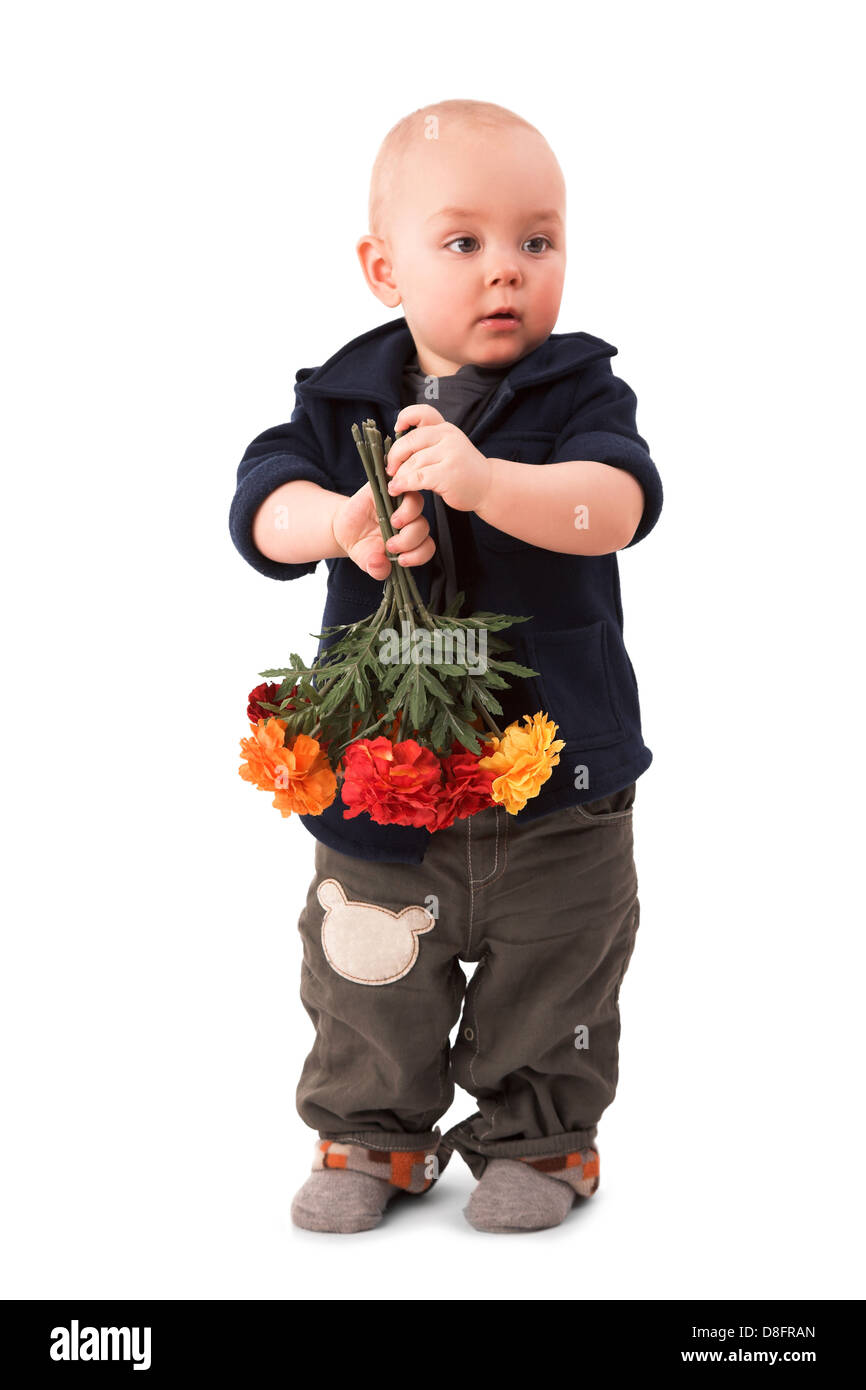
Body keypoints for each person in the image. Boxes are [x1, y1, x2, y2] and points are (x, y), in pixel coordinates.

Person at [229, 99, 663, 1233]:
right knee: (366, 966)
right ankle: (373, 1134)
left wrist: (486, 487)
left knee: (556, 971)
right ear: (383, 268)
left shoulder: (578, 393)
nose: (505, 272)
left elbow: (613, 505)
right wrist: (339, 523)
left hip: (557, 781)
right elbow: (260, 509)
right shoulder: (339, 401)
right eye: (462, 243)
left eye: (537, 240)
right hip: (385, 779)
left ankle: (542, 1140)